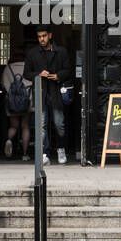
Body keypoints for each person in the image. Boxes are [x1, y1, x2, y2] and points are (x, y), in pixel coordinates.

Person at [23, 27, 73, 164]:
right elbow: (26, 73)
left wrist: (58, 76)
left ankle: (61, 148)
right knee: (42, 125)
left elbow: (69, 70)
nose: (42, 39)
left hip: (56, 92)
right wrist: (38, 74)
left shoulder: (61, 51)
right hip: (41, 92)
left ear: (49, 35)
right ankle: (44, 153)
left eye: (44, 36)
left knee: (59, 124)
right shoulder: (32, 53)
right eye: (39, 37)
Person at [0, 52, 33, 161]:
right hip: (26, 100)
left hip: (12, 100)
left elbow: (3, 85)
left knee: (13, 126)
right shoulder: (28, 66)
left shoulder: (7, 68)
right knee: (25, 126)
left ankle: (9, 140)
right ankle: (24, 154)